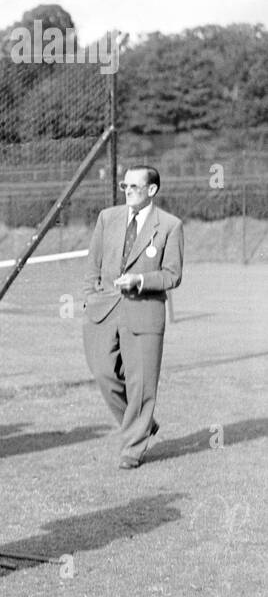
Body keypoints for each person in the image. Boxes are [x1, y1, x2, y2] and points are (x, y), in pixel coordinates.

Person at [83, 165, 184, 469]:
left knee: (141, 384)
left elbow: (172, 275)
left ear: (152, 190)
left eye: (134, 187)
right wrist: (89, 297)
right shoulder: (107, 218)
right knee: (103, 373)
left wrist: (140, 282)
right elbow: (93, 264)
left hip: (144, 312)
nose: (127, 192)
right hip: (103, 309)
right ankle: (142, 422)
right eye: (124, 186)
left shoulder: (170, 225)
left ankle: (133, 448)